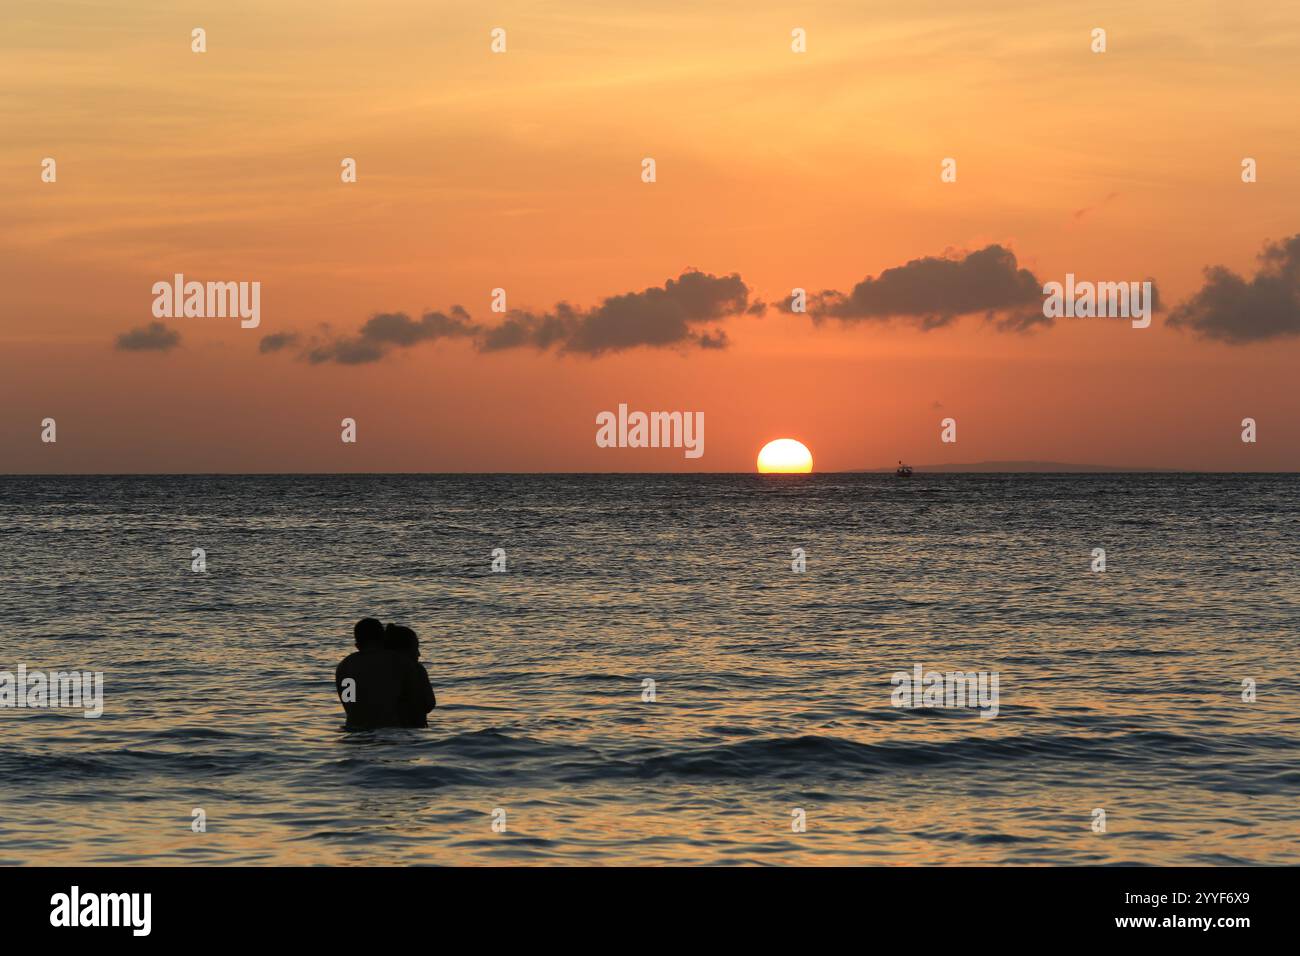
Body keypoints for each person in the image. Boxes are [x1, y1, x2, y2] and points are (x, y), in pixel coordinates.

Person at [335, 618, 435, 729]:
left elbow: (349, 704)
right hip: (392, 733)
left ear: (357, 645)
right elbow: (427, 703)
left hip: (354, 733)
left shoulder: (344, 667)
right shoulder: (401, 662)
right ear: (383, 640)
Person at [383, 623, 437, 727]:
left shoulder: (376, 671)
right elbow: (429, 704)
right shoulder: (417, 669)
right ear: (403, 650)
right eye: (415, 648)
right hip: (414, 729)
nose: (418, 654)